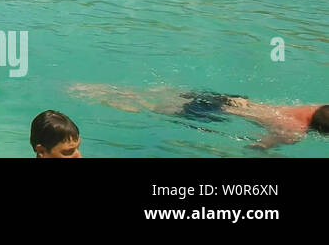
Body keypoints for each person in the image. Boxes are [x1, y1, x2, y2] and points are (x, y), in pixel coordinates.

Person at [72, 84, 329, 150]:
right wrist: (264, 149)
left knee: (153, 94)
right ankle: (98, 97)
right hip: (217, 111)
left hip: (230, 99)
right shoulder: (294, 132)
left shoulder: (316, 107)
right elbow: (258, 146)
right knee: (149, 108)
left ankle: (91, 89)